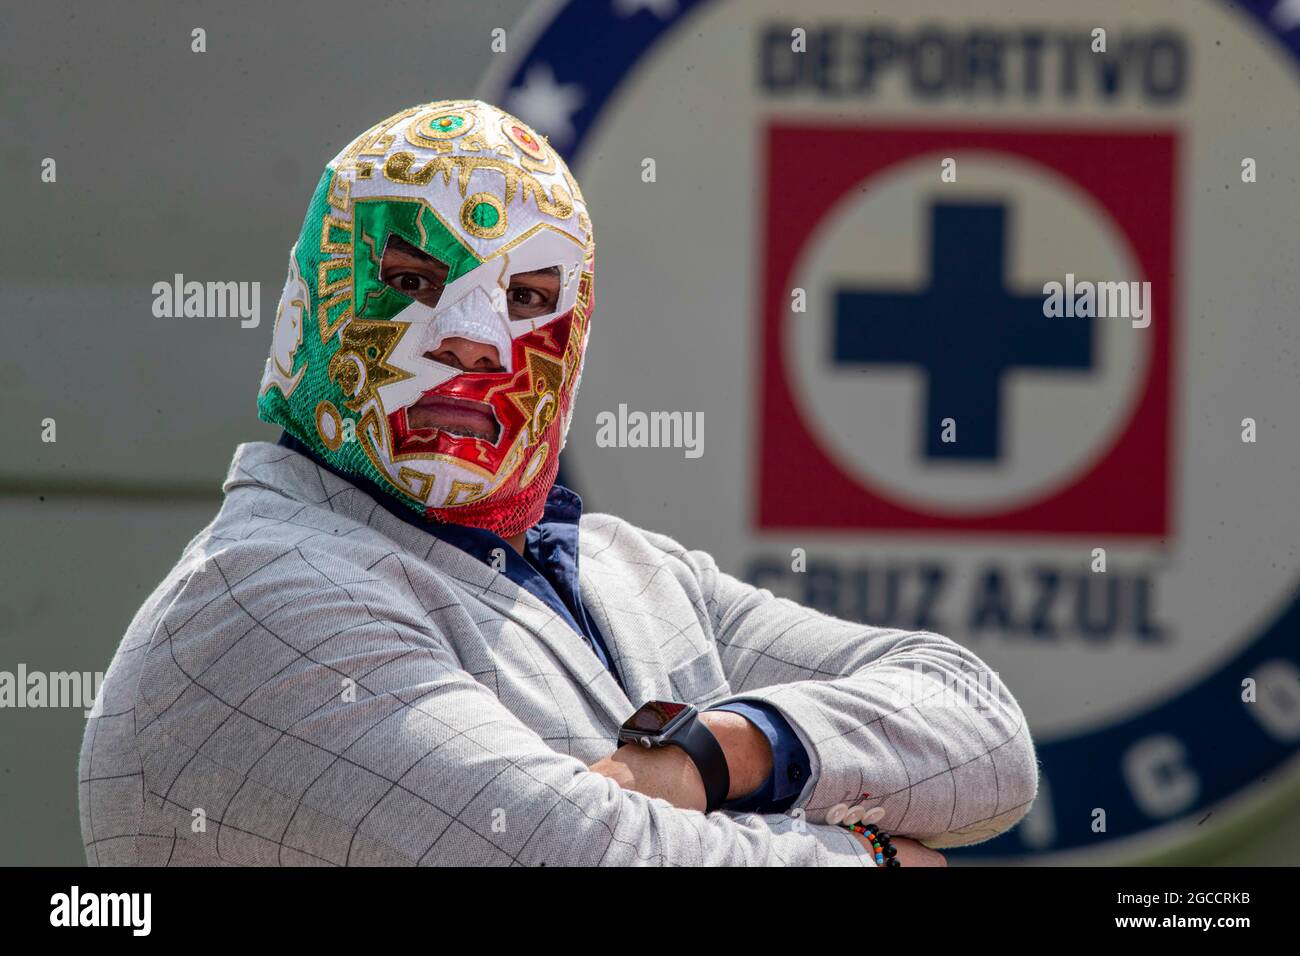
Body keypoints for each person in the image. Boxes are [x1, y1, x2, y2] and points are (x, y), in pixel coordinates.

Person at [78, 100, 1037, 866]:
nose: (475, 335)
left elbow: (984, 731)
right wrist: (876, 855)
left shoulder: (629, 571)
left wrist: (717, 755)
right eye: (413, 277)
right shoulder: (255, 601)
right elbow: (587, 852)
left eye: (530, 299)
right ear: (309, 297)